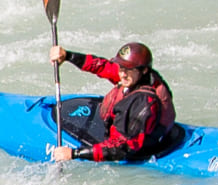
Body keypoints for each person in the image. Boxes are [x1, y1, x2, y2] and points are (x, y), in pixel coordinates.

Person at [47, 41, 178, 162]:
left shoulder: (143, 104)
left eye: (128, 69)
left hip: (136, 147)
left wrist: (74, 154)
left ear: (144, 70)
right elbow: (103, 67)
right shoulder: (136, 76)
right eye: (121, 68)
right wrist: (68, 56)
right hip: (130, 131)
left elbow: (121, 148)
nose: (123, 74)